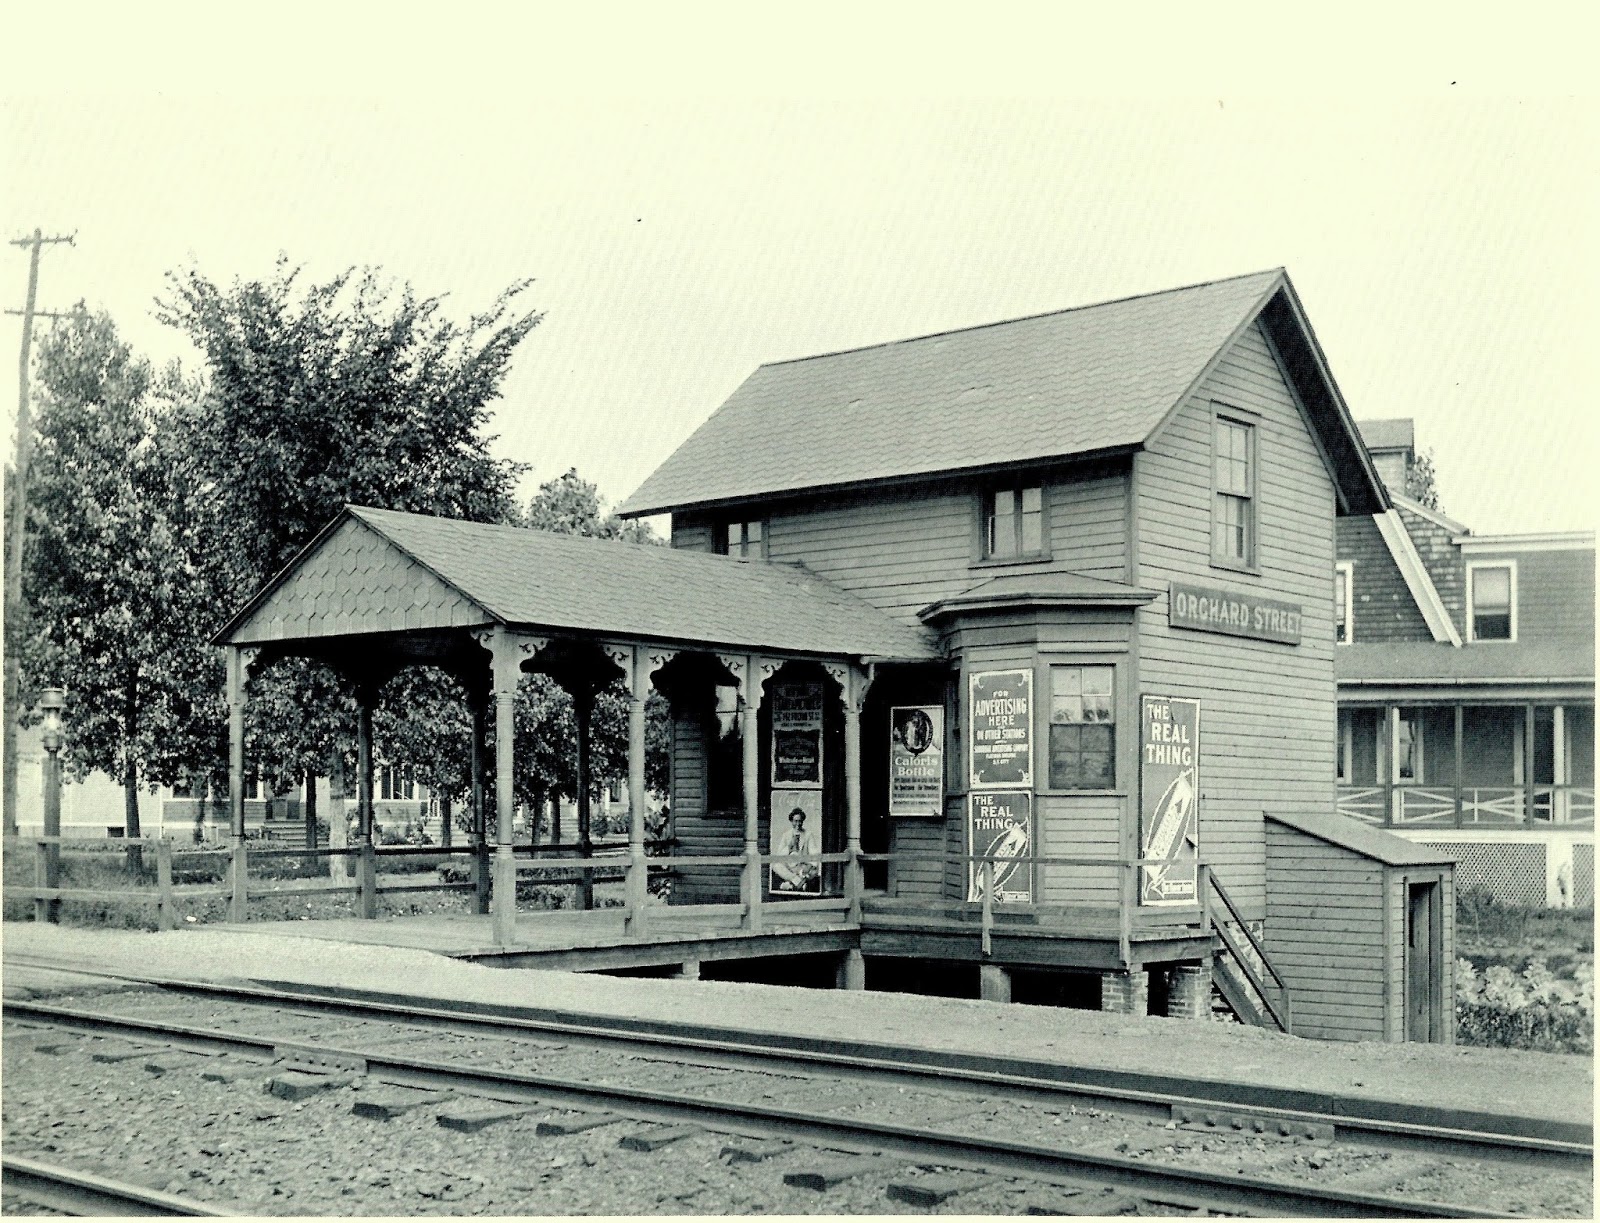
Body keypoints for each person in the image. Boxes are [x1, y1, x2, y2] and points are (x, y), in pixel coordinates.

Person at [770, 806, 820, 892]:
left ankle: (790, 884)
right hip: (789, 867)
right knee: (776, 866)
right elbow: (779, 856)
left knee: (814, 871)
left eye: (800, 821)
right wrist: (789, 847)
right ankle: (799, 883)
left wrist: (809, 866)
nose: (798, 824)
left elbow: (814, 853)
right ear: (791, 821)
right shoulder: (786, 835)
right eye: (795, 821)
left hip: (802, 867)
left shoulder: (808, 835)